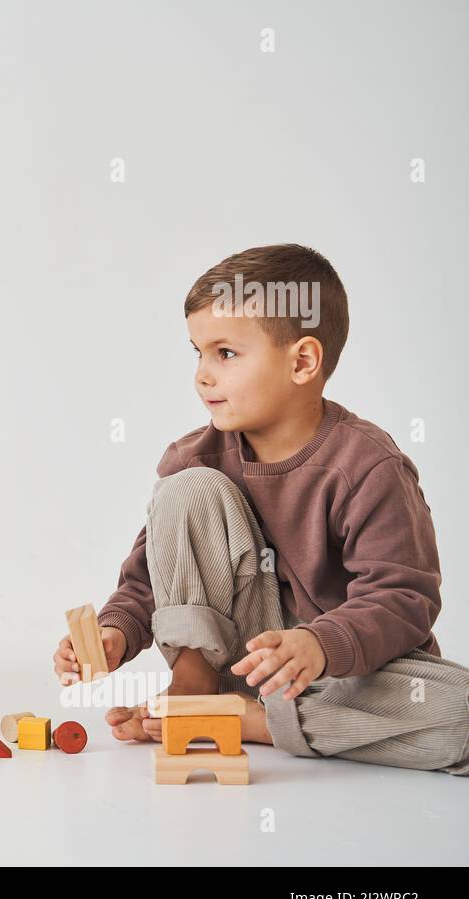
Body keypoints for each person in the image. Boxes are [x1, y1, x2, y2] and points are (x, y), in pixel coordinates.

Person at [53, 243, 469, 774]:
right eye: (197, 352)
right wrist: (114, 634)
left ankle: (252, 719)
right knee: (187, 489)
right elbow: (145, 584)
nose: (203, 374)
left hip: (343, 672)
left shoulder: (367, 466)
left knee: (459, 712)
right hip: (234, 656)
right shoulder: (194, 457)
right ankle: (197, 685)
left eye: (225, 354)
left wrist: (320, 644)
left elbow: (403, 597)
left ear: (302, 362)